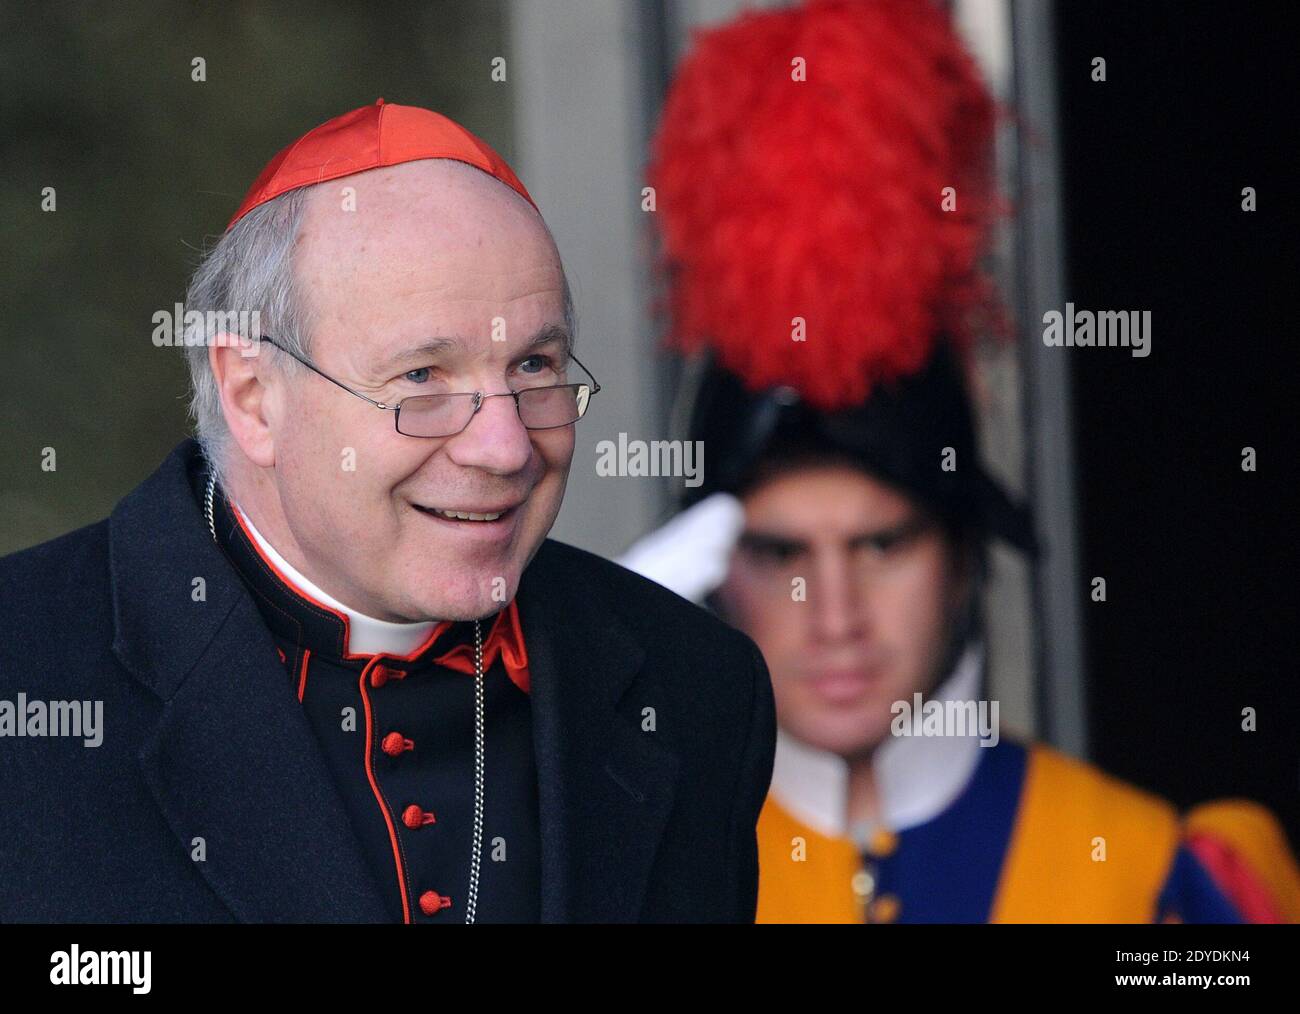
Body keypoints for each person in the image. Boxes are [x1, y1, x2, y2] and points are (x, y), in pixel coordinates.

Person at [0, 99, 776, 924]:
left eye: (535, 364)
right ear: (253, 397)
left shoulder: (698, 688)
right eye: (422, 378)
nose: (505, 447)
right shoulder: (26, 670)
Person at [621, 0, 1300, 922]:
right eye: (783, 555)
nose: (835, 618)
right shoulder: (622, 865)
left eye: (883, 545)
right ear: (715, 570)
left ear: (964, 555)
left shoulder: (1148, 876)